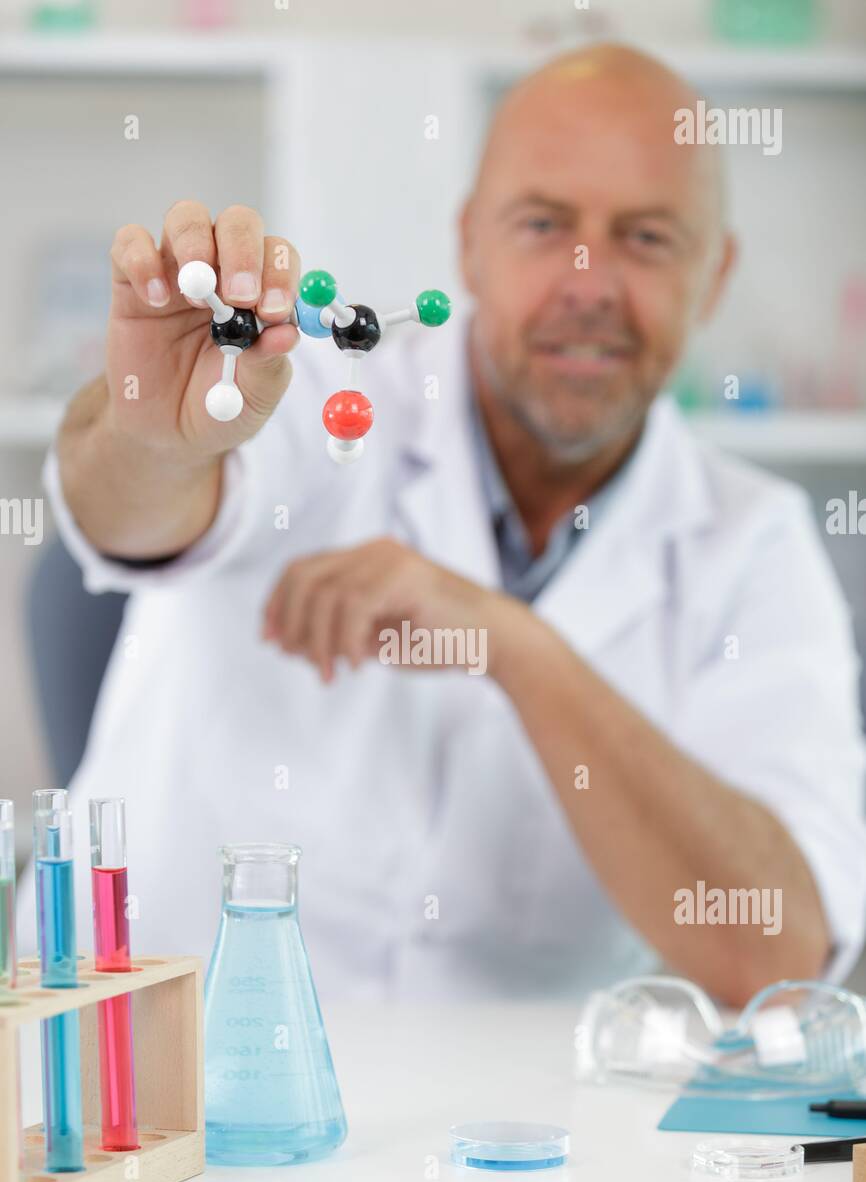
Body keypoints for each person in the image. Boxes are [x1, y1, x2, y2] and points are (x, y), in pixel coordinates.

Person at [19, 44, 866, 1004]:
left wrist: (512, 645)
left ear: (715, 274)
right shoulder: (316, 386)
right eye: (544, 224)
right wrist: (150, 431)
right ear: (468, 244)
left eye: (648, 238)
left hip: (521, 1130)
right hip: (167, 1087)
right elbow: (127, 513)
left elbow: (776, 953)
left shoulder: (757, 543)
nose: (587, 283)